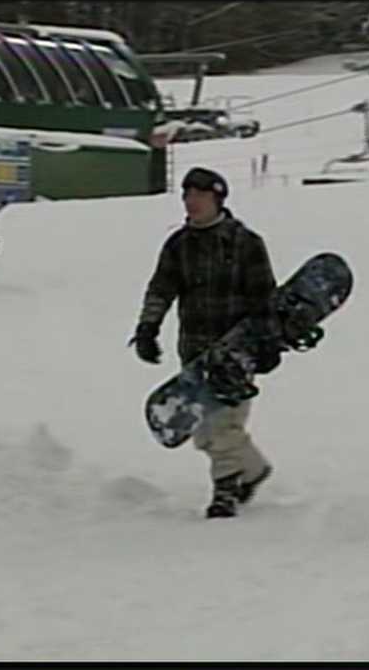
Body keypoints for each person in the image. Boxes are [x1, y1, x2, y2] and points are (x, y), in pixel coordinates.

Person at [130, 167, 278, 519]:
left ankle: (226, 490)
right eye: (187, 195)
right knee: (204, 426)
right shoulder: (179, 246)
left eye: (199, 195)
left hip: (237, 350)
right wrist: (147, 328)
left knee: (224, 422)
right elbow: (161, 289)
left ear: (218, 199)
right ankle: (253, 470)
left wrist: (268, 339)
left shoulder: (245, 243)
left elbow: (264, 297)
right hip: (195, 350)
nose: (191, 202)